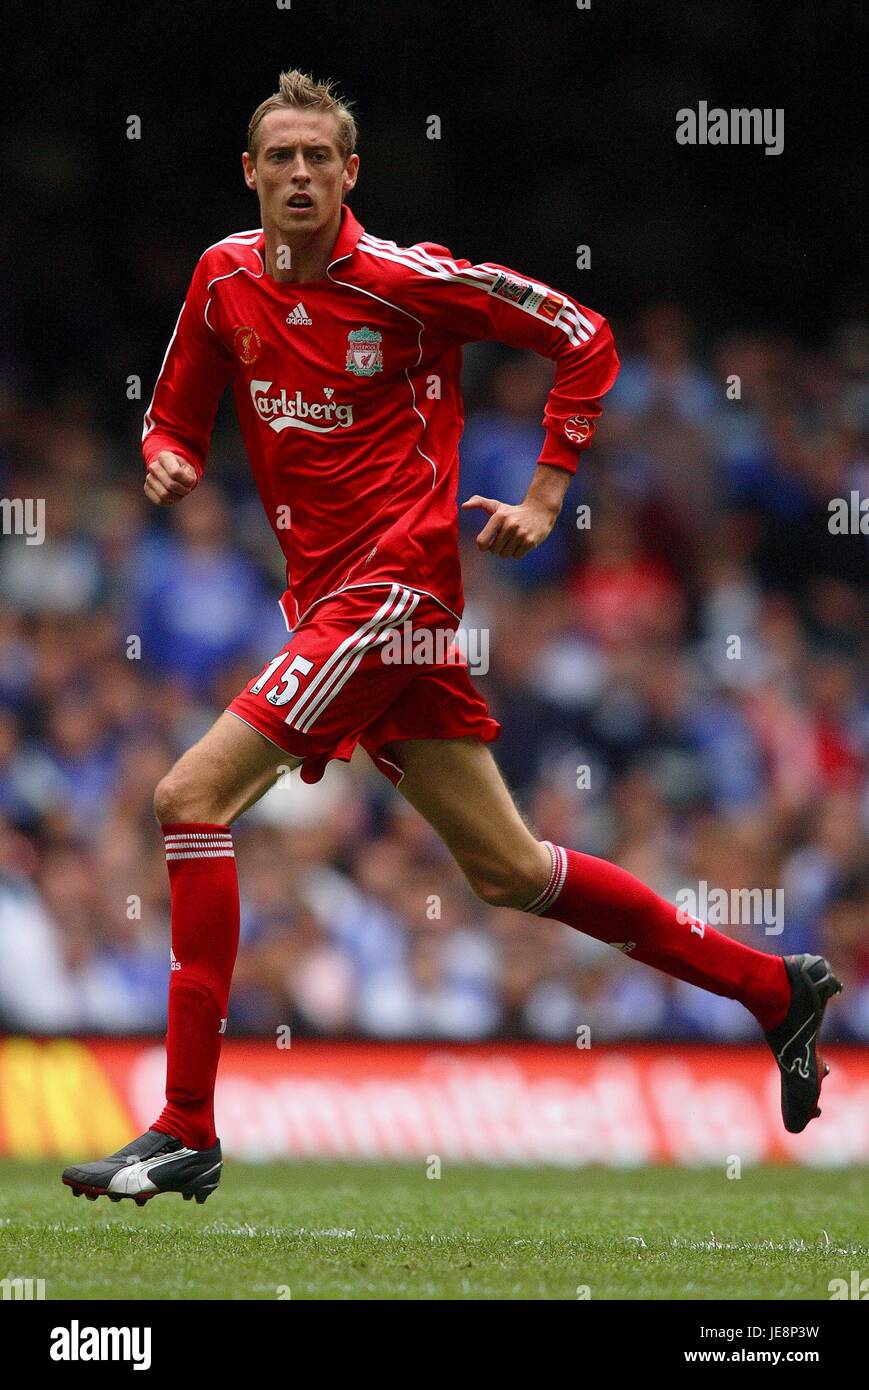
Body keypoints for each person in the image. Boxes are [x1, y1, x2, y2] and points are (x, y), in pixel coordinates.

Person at [62, 70, 841, 1206]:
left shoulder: (406, 282)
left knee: (188, 798)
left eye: (316, 159)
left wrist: (544, 491)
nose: (295, 175)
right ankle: (773, 988)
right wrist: (165, 455)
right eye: (276, 158)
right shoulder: (220, 277)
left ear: (348, 174)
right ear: (249, 173)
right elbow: (176, 404)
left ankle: (186, 1123)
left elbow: (583, 333)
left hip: (392, 599)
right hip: (325, 606)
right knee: (510, 869)